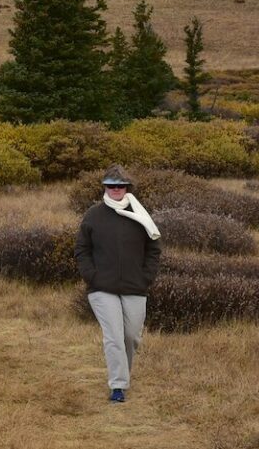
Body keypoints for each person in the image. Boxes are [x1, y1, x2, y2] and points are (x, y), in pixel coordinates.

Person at [74, 163, 161, 403]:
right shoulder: (93, 215)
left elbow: (154, 248)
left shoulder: (140, 214)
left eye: (121, 186)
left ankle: (122, 375)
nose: (116, 189)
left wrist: (146, 277)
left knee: (131, 336)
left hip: (135, 286)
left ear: (127, 188)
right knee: (113, 335)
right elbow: (82, 248)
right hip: (102, 287)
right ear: (104, 187)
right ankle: (118, 386)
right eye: (112, 186)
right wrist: (91, 275)